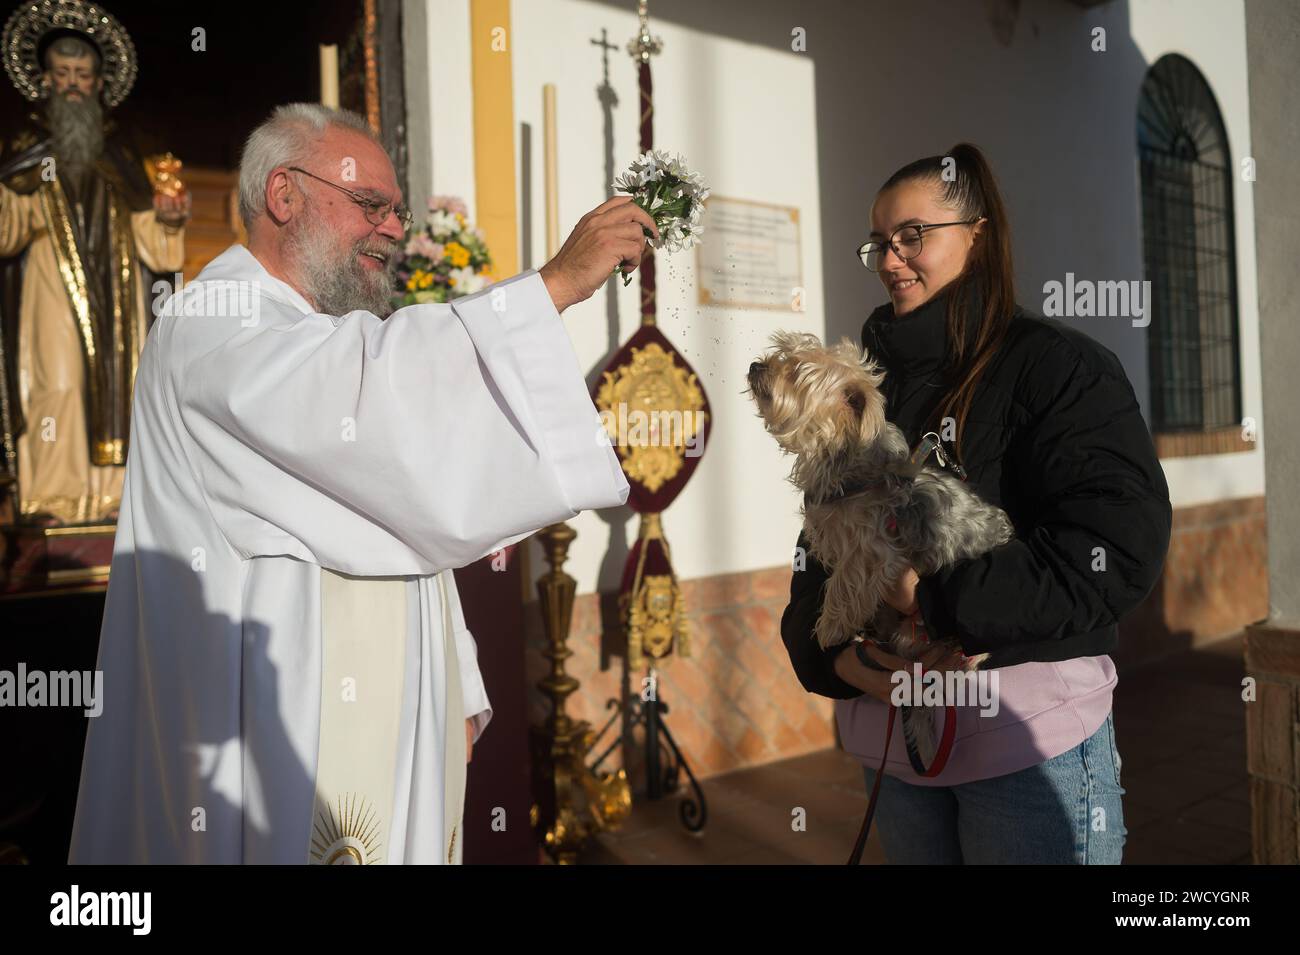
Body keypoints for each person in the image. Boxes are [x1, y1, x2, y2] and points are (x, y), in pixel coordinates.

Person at [69, 103, 655, 864]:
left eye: (398, 212)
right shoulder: (210, 322)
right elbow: (360, 401)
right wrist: (550, 286)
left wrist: (456, 685)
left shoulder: (305, 331)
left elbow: (392, 507)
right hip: (273, 754)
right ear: (284, 194)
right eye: (371, 205)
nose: (393, 230)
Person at [780, 142, 1172, 864]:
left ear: (979, 237)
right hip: (898, 757)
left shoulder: (1060, 368)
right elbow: (819, 551)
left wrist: (931, 598)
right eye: (880, 243)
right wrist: (829, 653)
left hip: (1028, 751)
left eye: (913, 236)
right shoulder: (860, 386)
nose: (892, 259)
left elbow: (1113, 551)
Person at [0, 8, 190, 525]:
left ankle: (112, 499)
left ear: (99, 82)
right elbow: (9, 227)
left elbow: (155, 243)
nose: (73, 86)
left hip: (118, 290)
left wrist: (169, 221)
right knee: (57, 384)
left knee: (119, 382)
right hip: (50, 285)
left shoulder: (121, 152)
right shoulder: (24, 151)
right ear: (44, 80)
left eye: (83, 76)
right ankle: (53, 498)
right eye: (63, 75)